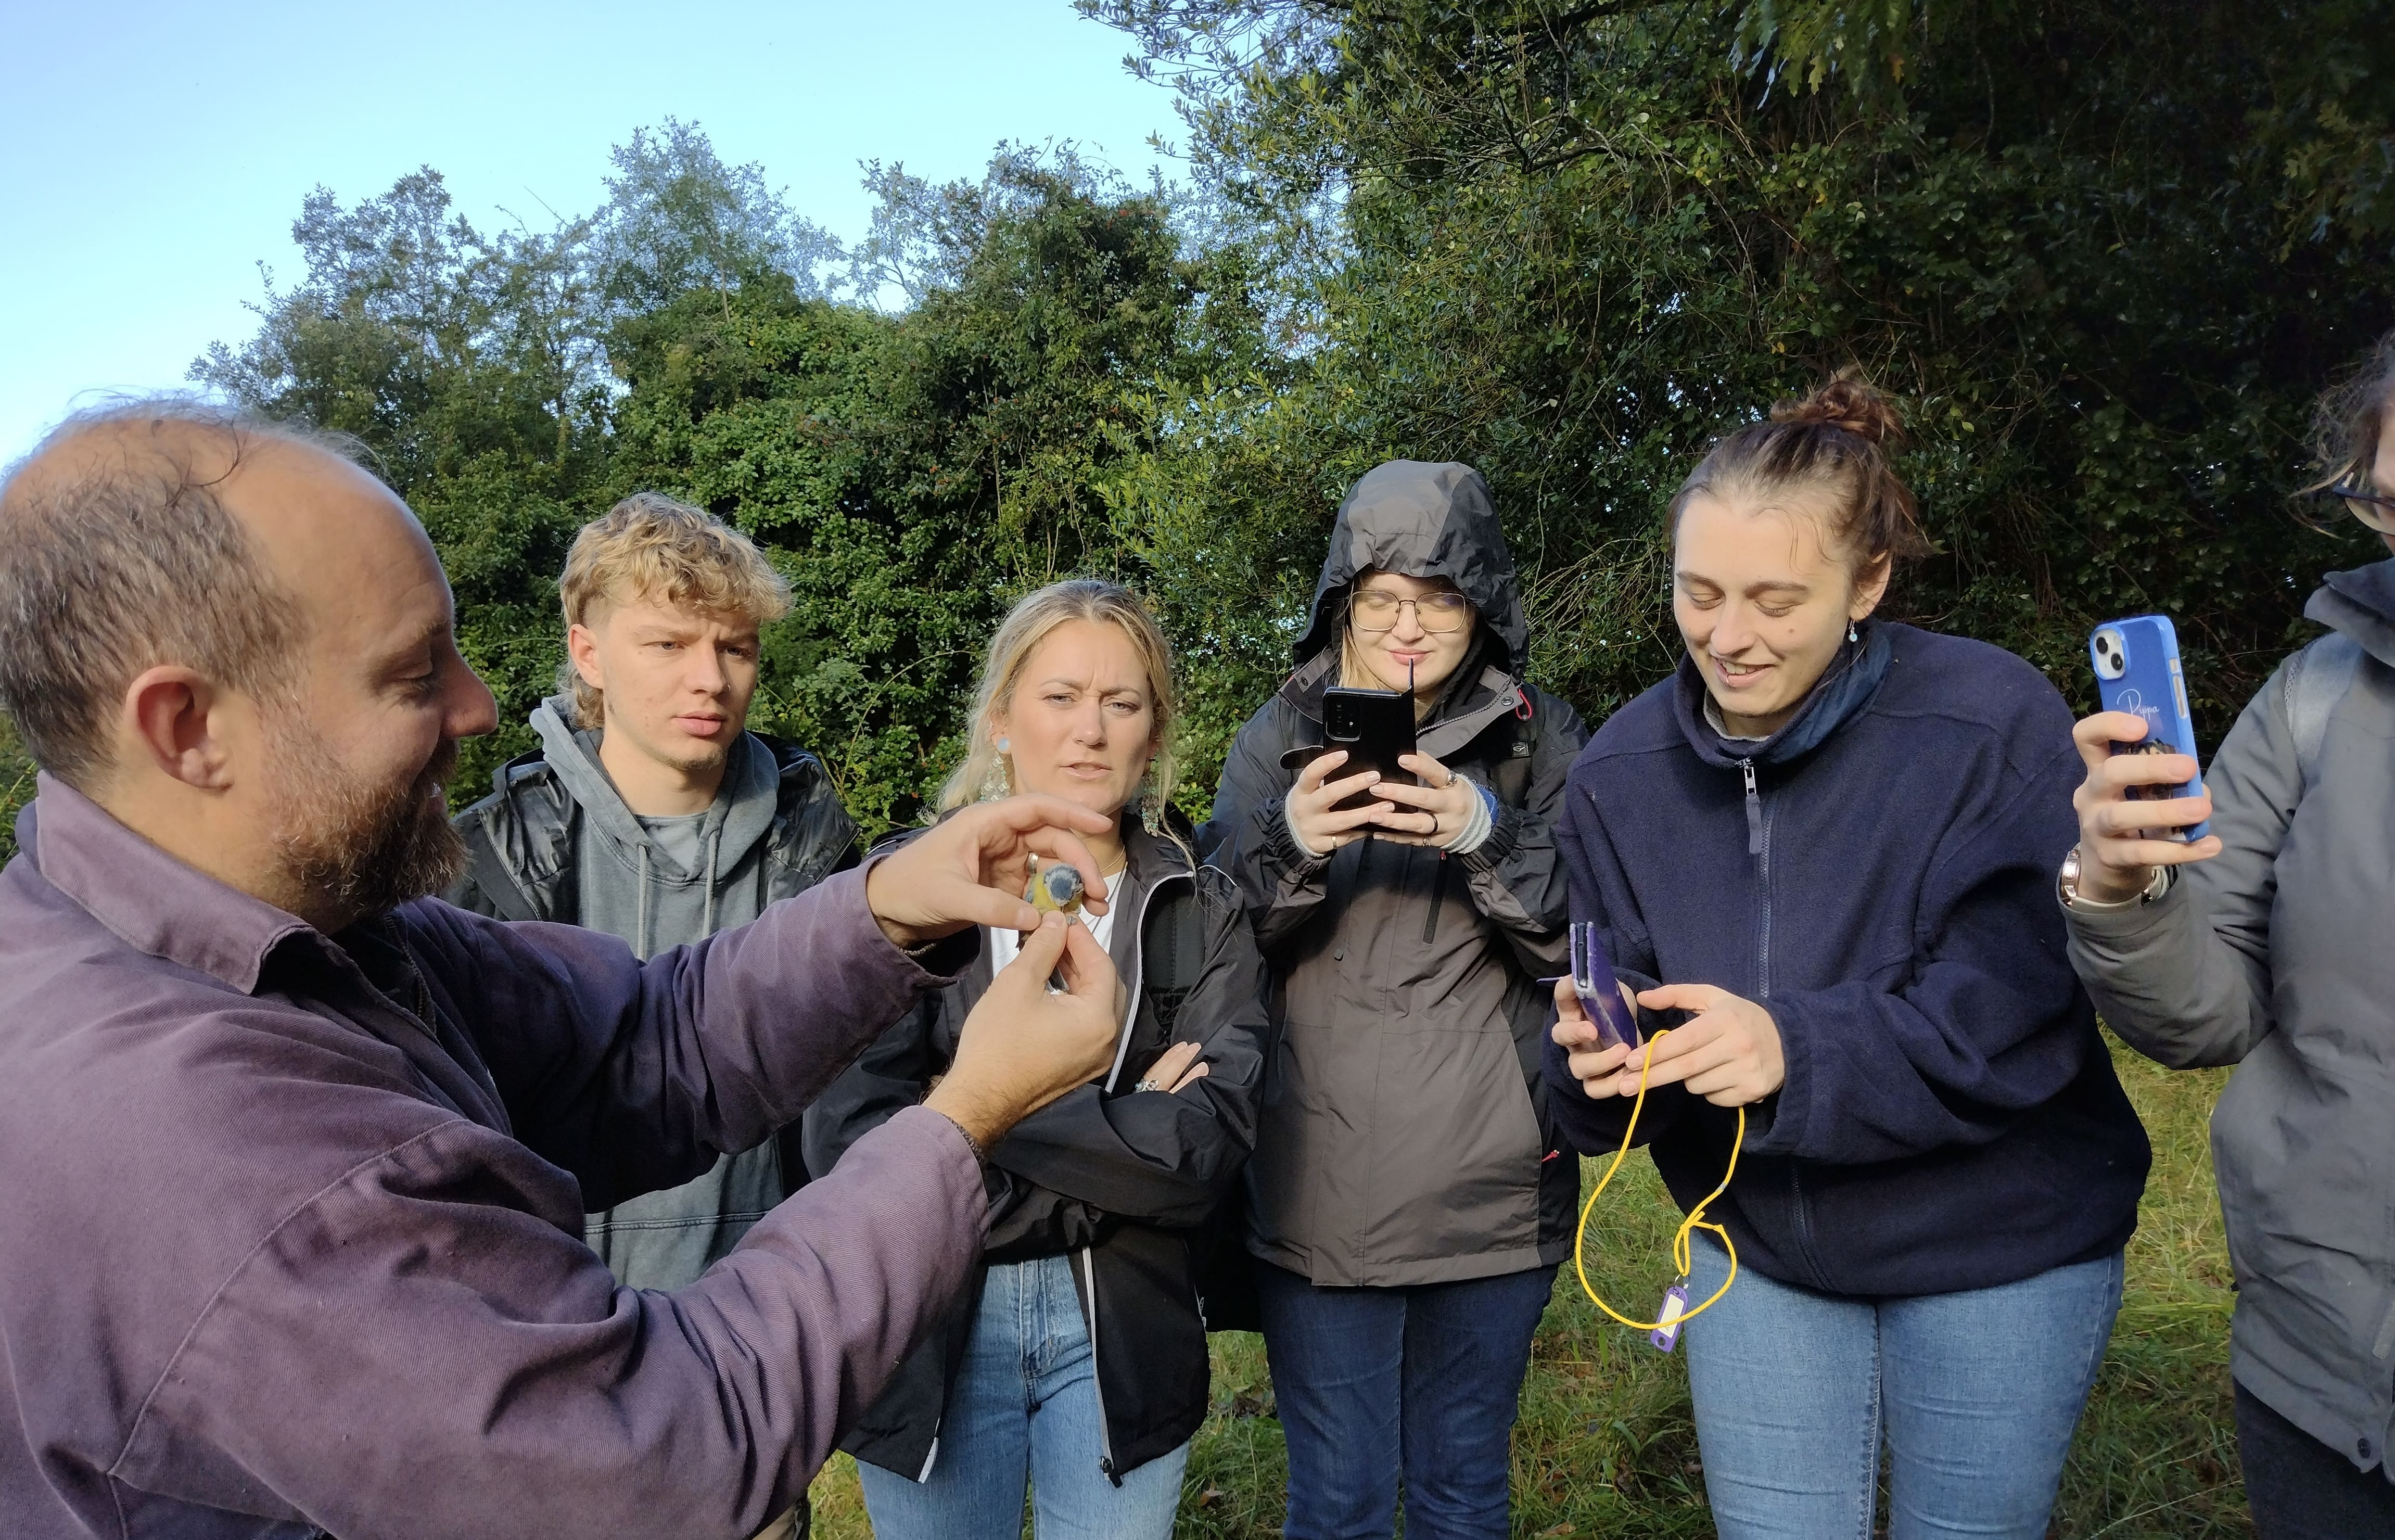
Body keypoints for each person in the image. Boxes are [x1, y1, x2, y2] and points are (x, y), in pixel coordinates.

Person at [0, 400, 1128, 1540]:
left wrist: (887, 902)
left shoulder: (315, 926)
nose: (480, 707)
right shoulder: (214, 1150)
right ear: (187, 725)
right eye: (411, 672)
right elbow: (662, 1449)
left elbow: (642, 1044)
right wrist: (965, 1115)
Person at [1545, 375, 2151, 1540]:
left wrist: (1792, 1047)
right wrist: (1589, 1053)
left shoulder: (1988, 720)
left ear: (1868, 583)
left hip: (2001, 1246)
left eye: (1777, 599)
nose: (1730, 636)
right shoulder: (1617, 775)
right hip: (1758, 1252)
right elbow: (1608, 1015)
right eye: (1700, 592)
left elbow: (2015, 1008)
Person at [805, 579, 1268, 1539]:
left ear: (1154, 731)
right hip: (929, 1322)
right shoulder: (905, 894)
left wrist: (963, 1108)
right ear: (1002, 719)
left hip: (1126, 1334)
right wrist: (1123, 1114)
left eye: (1122, 702)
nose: (1090, 731)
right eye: (1060, 697)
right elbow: (844, 1137)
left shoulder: (1202, 907)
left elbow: (1199, 1157)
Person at [1206, 460, 1589, 1540]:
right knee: (1338, 1504)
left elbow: (1592, 941)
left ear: (1484, 605)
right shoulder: (1273, 736)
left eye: (1441, 598)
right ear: (1343, 602)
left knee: (1465, 1496)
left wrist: (1486, 835)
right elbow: (1212, 946)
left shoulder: (1541, 739)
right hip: (1317, 1182)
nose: (1410, 626)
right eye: (1384, 599)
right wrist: (1296, 842)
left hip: (1495, 1191)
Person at [2060, 329, 2395, 1538]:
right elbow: (2207, 1013)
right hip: (2328, 1372)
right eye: (2392, 506)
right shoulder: (2315, 701)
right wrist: (2118, 889)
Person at [448, 492, 858, 1294]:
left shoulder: (820, 859)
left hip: (762, 1338)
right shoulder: (481, 863)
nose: (709, 680)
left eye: (735, 649)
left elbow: (853, 1124)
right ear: (589, 654)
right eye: (667, 644)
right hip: (544, 1337)